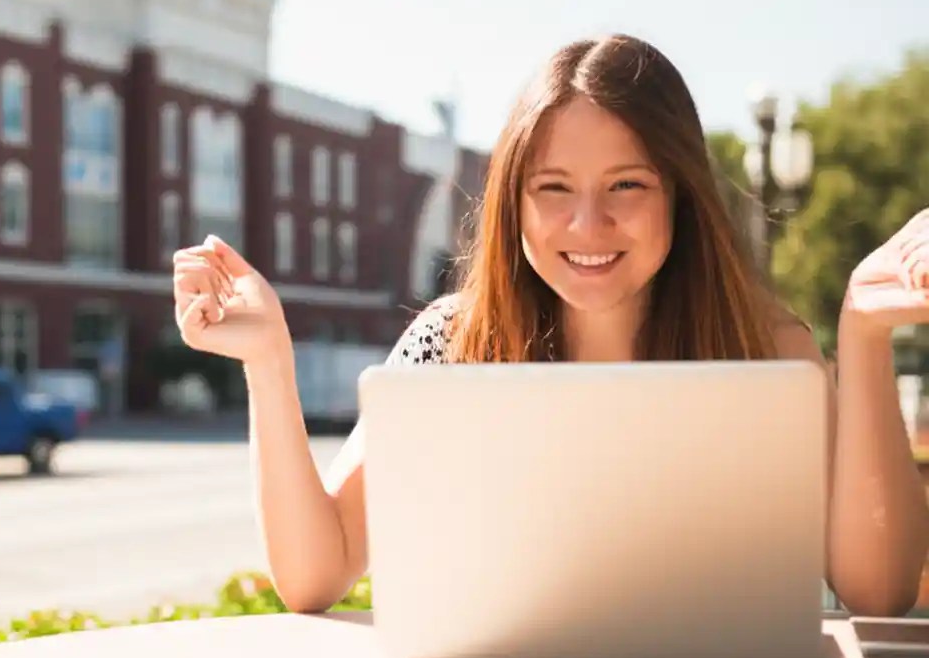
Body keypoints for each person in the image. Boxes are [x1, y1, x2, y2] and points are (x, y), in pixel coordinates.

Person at [171, 34, 929, 618]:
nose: (586, 223)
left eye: (626, 186)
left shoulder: (765, 347)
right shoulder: (449, 346)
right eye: (554, 188)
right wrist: (268, 363)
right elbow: (314, 575)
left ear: (681, 196)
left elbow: (878, 589)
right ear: (513, 202)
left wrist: (862, 336)